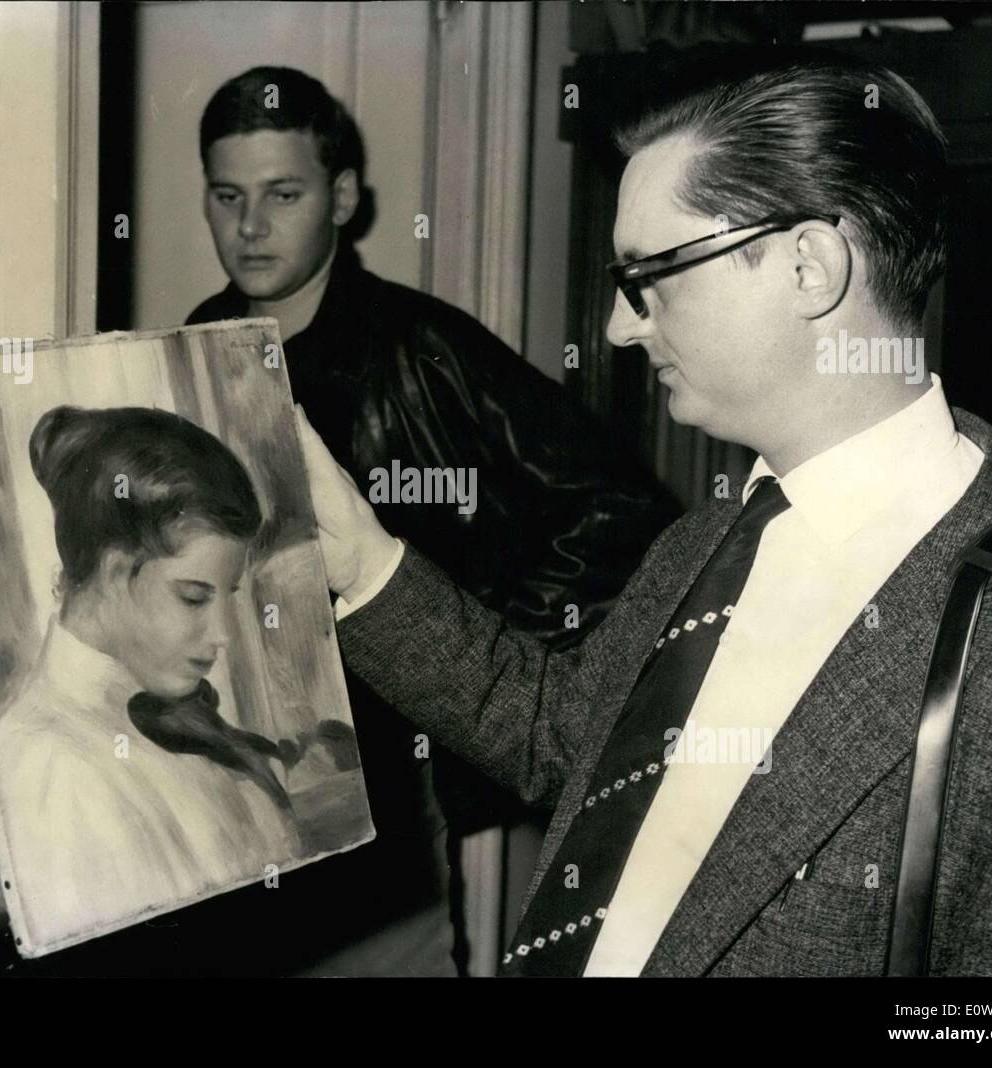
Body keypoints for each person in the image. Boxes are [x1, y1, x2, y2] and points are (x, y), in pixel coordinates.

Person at [296, 50, 992, 977]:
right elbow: (560, 739)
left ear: (808, 266)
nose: (623, 328)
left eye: (652, 274)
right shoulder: (707, 542)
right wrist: (361, 559)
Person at [185, 66, 679, 975]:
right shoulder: (193, 343)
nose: (250, 226)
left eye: (282, 193)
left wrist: (475, 665)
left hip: (387, 788)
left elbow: (620, 511)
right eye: (228, 196)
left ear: (340, 198)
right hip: (237, 764)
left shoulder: (425, 348)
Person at [0, 405, 338, 952]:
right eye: (193, 597)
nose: (224, 633)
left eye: (229, 597)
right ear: (112, 574)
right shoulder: (53, 769)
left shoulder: (170, 715)